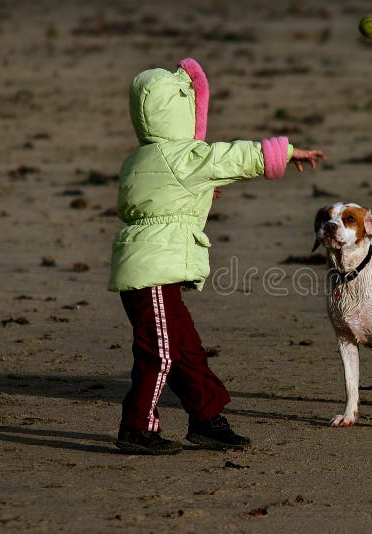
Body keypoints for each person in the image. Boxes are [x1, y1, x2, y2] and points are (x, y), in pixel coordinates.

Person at [108, 58, 325, 455]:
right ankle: (137, 426)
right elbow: (231, 157)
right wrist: (285, 152)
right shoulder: (185, 158)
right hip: (152, 271)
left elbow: (156, 199)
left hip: (147, 266)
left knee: (185, 347)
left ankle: (207, 419)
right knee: (159, 352)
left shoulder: (138, 160)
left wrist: (200, 191)